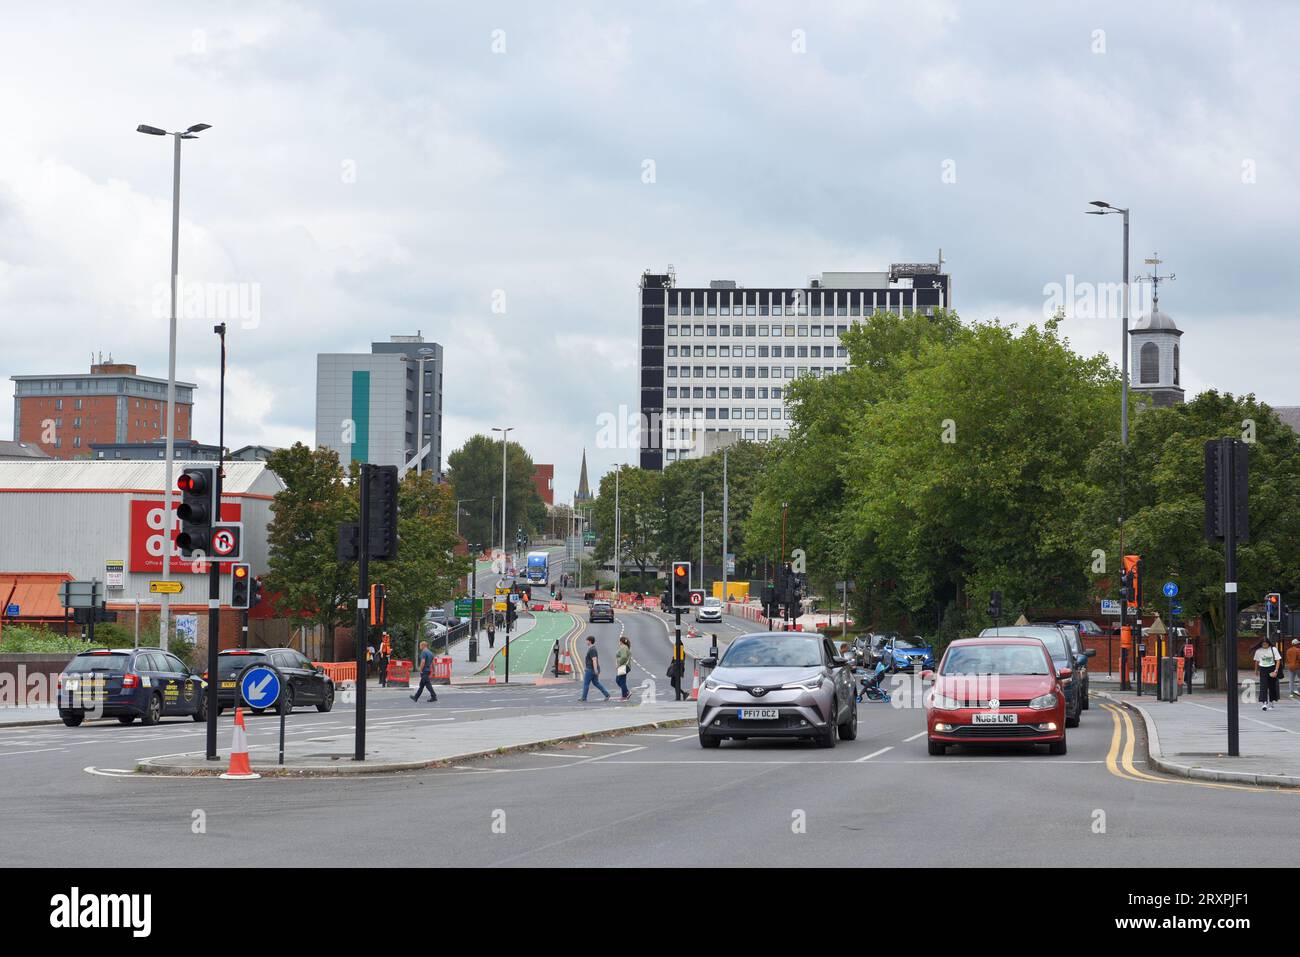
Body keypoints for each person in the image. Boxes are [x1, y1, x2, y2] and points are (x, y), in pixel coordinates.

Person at [579, 635, 611, 703]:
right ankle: (607, 694)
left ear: (590, 641)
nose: (586, 642)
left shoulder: (592, 650)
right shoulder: (592, 648)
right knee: (596, 683)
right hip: (593, 669)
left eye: (587, 640)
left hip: (590, 669)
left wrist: (595, 669)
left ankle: (584, 697)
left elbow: (594, 660)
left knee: (586, 683)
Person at [1253, 637, 1280, 710]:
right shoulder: (1258, 650)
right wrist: (1256, 670)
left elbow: (1278, 660)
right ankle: (1264, 703)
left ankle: (1271, 702)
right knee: (1263, 686)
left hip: (1271, 668)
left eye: (1266, 644)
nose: (1264, 646)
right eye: (1263, 644)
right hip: (1263, 669)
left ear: (1268, 643)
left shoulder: (1273, 649)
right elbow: (1257, 661)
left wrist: (1276, 671)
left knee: (1272, 687)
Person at [615, 635, 632, 700]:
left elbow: (624, 657)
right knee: (622, 681)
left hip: (624, 666)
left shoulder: (623, 647)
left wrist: (619, 664)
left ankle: (627, 692)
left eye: (619, 641)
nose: (619, 642)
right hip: (626, 666)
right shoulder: (625, 647)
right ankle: (624, 695)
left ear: (621, 642)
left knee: (618, 680)